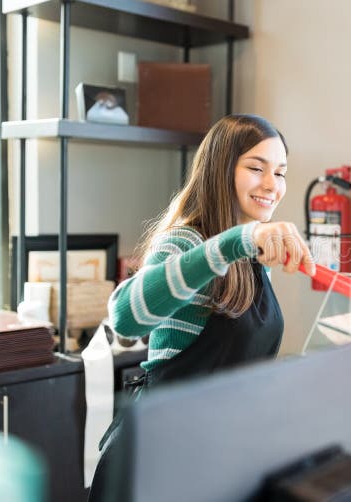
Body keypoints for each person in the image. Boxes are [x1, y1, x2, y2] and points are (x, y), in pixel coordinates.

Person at [88, 114, 314, 501]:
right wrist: (234, 242)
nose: (271, 185)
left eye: (280, 173)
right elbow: (126, 315)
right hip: (160, 456)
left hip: (217, 452)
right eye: (256, 168)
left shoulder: (253, 255)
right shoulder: (185, 241)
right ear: (221, 170)